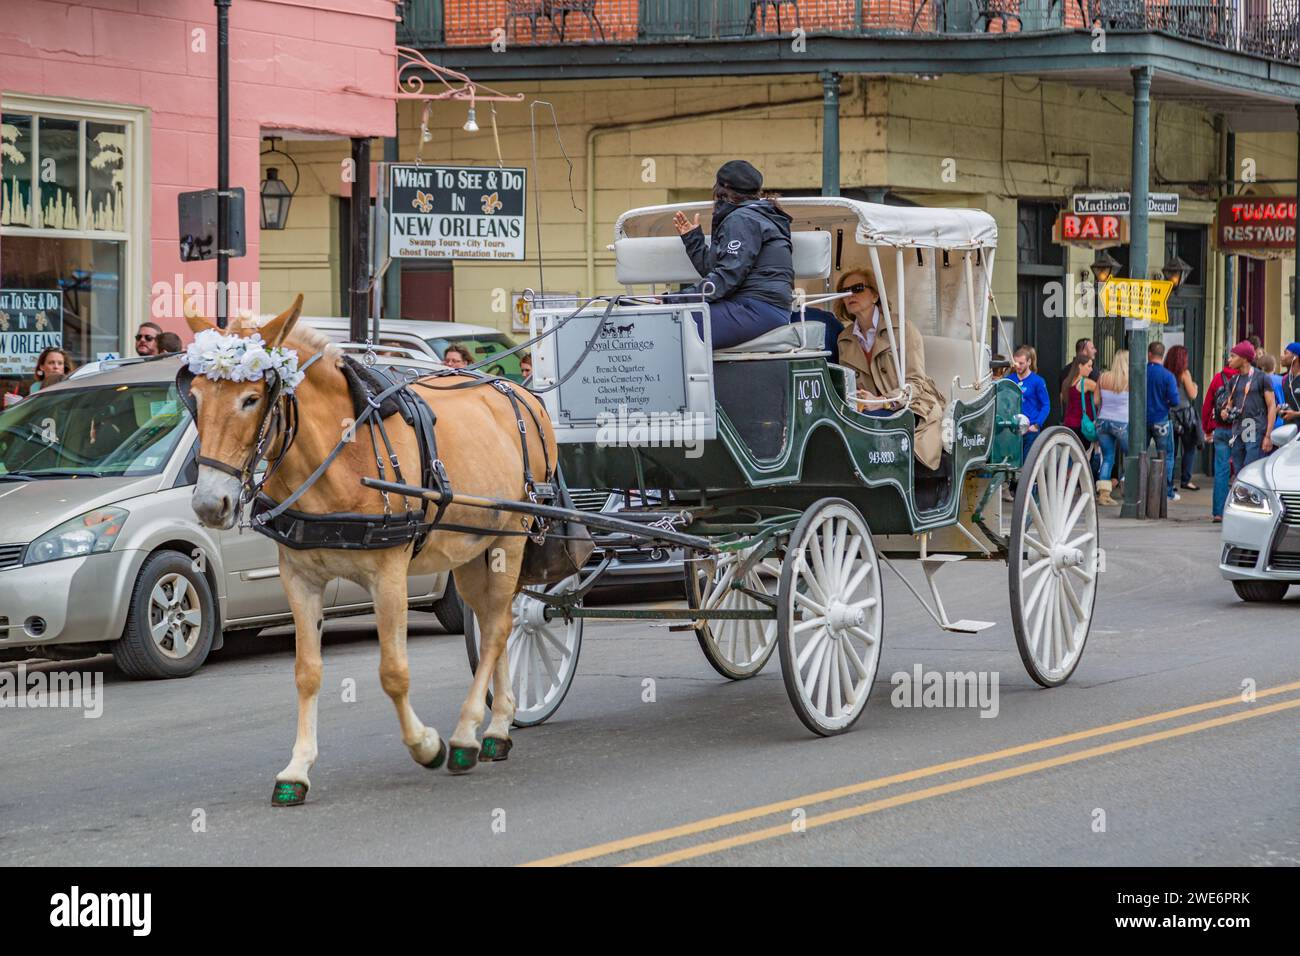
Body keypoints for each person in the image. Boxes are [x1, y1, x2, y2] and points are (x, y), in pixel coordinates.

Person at [671, 160, 794, 350]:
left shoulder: (742, 219)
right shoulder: (756, 215)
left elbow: (727, 277)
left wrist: (674, 300)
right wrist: (692, 239)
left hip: (755, 308)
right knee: (675, 320)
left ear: (724, 188)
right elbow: (716, 272)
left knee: (670, 325)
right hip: (763, 309)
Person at [834, 268, 945, 469]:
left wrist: (882, 402)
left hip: (911, 406)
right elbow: (849, 388)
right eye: (845, 291)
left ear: (875, 295)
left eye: (857, 289)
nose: (851, 295)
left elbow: (916, 383)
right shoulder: (844, 339)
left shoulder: (903, 329)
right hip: (868, 413)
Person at [1218, 340, 1277, 475]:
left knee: (1251, 470)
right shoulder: (1234, 379)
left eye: (1233, 356)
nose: (1229, 359)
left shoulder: (1262, 378)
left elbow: (1272, 406)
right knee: (1238, 471)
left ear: (1244, 359)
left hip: (1255, 429)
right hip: (1238, 430)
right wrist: (1225, 412)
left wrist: (1268, 436)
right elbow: (1230, 403)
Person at [1202, 355, 1239, 522]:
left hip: (1221, 429)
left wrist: (1208, 429)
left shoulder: (1218, 378)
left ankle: (1218, 512)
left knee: (1221, 471)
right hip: (1241, 430)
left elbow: (1207, 405)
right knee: (1242, 470)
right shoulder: (1246, 378)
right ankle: (1241, 510)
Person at [1145, 341, 1181, 502]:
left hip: (1142, 420)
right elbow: (1175, 401)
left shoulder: (1141, 372)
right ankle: (1166, 491)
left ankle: (1139, 487)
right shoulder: (1168, 376)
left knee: (1140, 453)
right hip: (1161, 420)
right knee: (1167, 456)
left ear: (1149, 354)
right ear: (1162, 355)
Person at [1164, 344, 1201, 492]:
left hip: (1170, 414)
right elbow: (1192, 394)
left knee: (1171, 450)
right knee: (1189, 448)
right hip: (1185, 415)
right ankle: (1186, 480)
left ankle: (1170, 481)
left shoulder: (1166, 373)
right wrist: (1195, 386)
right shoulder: (1184, 373)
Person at [1095, 350, 1129, 506]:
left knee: (1108, 457)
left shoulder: (1102, 377)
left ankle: (1104, 494)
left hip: (1103, 421)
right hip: (1122, 422)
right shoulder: (1130, 380)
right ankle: (1125, 483)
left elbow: (1096, 401)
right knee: (1131, 455)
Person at [1012, 344, 1050, 458]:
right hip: (1012, 430)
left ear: (1029, 362)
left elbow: (1046, 405)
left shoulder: (1038, 381)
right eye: (1016, 363)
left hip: (1030, 430)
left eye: (1021, 363)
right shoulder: (1009, 379)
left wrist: (1037, 425)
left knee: (1028, 467)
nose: (1018, 366)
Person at [1060, 352, 1100, 452]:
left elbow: (1062, 399)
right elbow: (1103, 392)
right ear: (1080, 366)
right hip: (1083, 426)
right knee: (1085, 458)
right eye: (1089, 366)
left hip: (1068, 424)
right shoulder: (1085, 383)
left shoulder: (1066, 382)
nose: (1091, 369)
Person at [1280, 342, 1300, 424]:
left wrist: (1296, 414)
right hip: (1288, 430)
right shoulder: (1285, 379)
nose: (1282, 357)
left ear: (1295, 357)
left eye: (1285, 353)